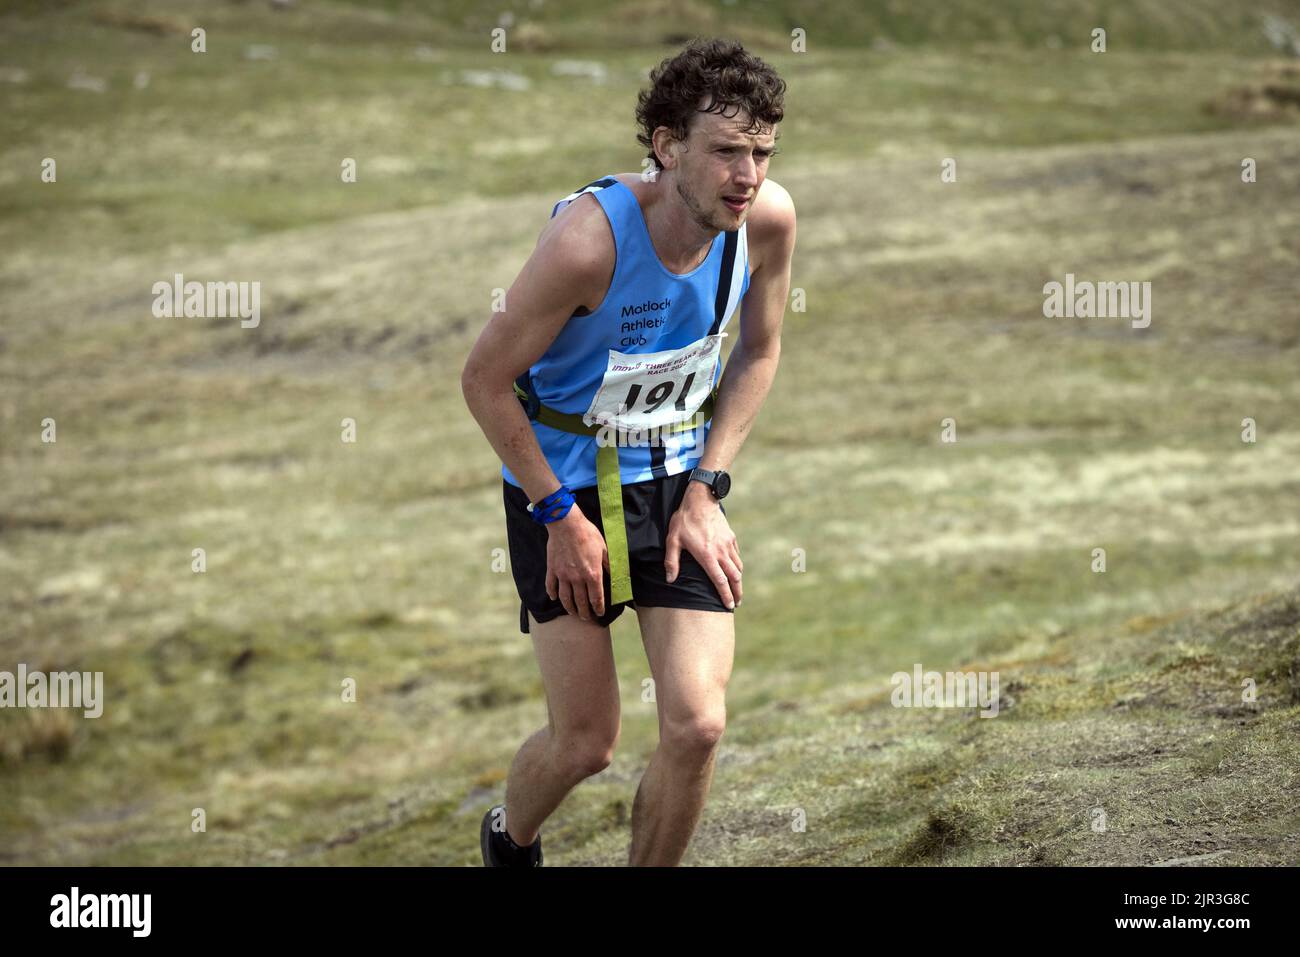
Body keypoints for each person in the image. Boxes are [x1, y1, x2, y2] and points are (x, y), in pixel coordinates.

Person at [461, 37, 795, 866]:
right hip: (561, 488)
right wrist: (558, 518)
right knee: (586, 743)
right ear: (666, 145)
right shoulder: (587, 244)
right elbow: (484, 381)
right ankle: (510, 839)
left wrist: (710, 487)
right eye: (726, 151)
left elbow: (757, 353)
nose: (747, 175)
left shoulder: (767, 225)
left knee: (698, 722)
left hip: (678, 485)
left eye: (761, 152)